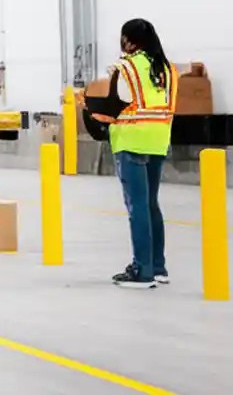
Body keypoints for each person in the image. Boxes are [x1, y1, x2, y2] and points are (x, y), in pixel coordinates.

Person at [90, 19, 177, 289]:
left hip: (130, 141)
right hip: (159, 140)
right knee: (151, 203)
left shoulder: (124, 66)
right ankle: (158, 267)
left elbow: (112, 105)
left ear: (128, 40)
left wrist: (87, 105)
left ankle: (142, 271)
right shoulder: (168, 70)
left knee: (136, 206)